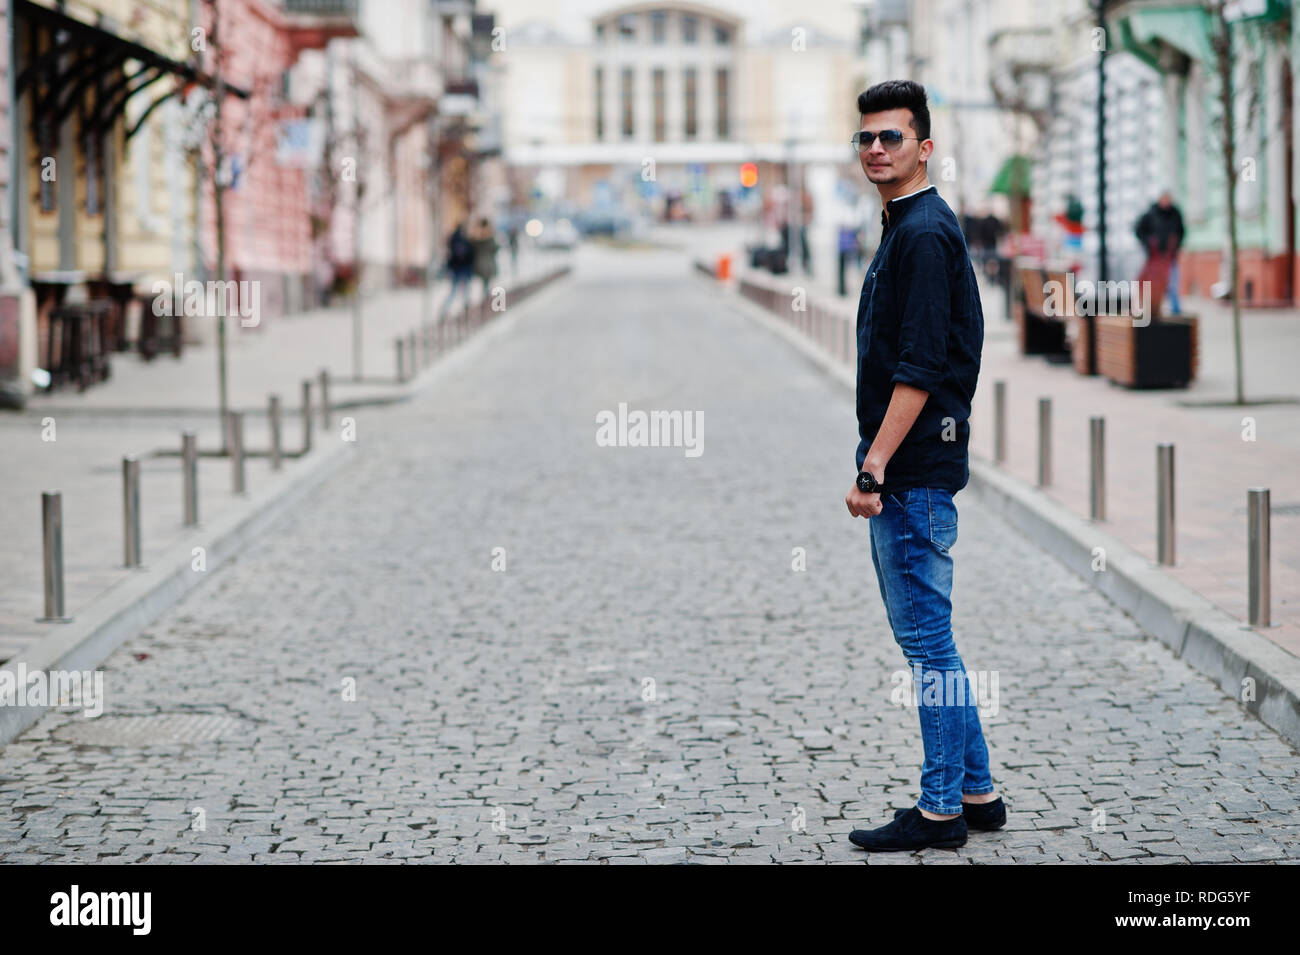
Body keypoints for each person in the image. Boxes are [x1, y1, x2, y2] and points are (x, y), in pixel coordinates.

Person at [843, 79, 1001, 852]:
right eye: (866, 138)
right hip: (917, 469)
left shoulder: (925, 233)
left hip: (911, 475)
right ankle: (978, 789)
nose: (876, 149)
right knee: (935, 638)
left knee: (928, 647)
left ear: (924, 146)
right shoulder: (906, 225)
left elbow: (920, 364)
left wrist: (874, 466)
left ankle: (940, 809)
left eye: (891, 137)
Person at [1135, 191, 1184, 316]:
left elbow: (1181, 231)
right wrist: (1147, 242)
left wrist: (1176, 245)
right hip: (1153, 256)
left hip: (1169, 255)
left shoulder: (1175, 214)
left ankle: (1175, 309)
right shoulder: (1151, 214)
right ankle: (1149, 309)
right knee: (1149, 282)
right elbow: (1139, 230)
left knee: (1172, 282)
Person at [438, 221, 475, 319]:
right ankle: (465, 311)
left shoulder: (453, 239)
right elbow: (467, 255)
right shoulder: (463, 240)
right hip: (462, 269)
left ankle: (445, 310)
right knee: (462, 291)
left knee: (456, 291)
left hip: (457, 269)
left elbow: (450, 255)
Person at [471, 217, 500, 303]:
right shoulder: (489, 236)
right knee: (486, 284)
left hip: (480, 263)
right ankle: (486, 300)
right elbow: (495, 248)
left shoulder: (477, 235)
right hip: (487, 264)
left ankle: (485, 300)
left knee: (485, 284)